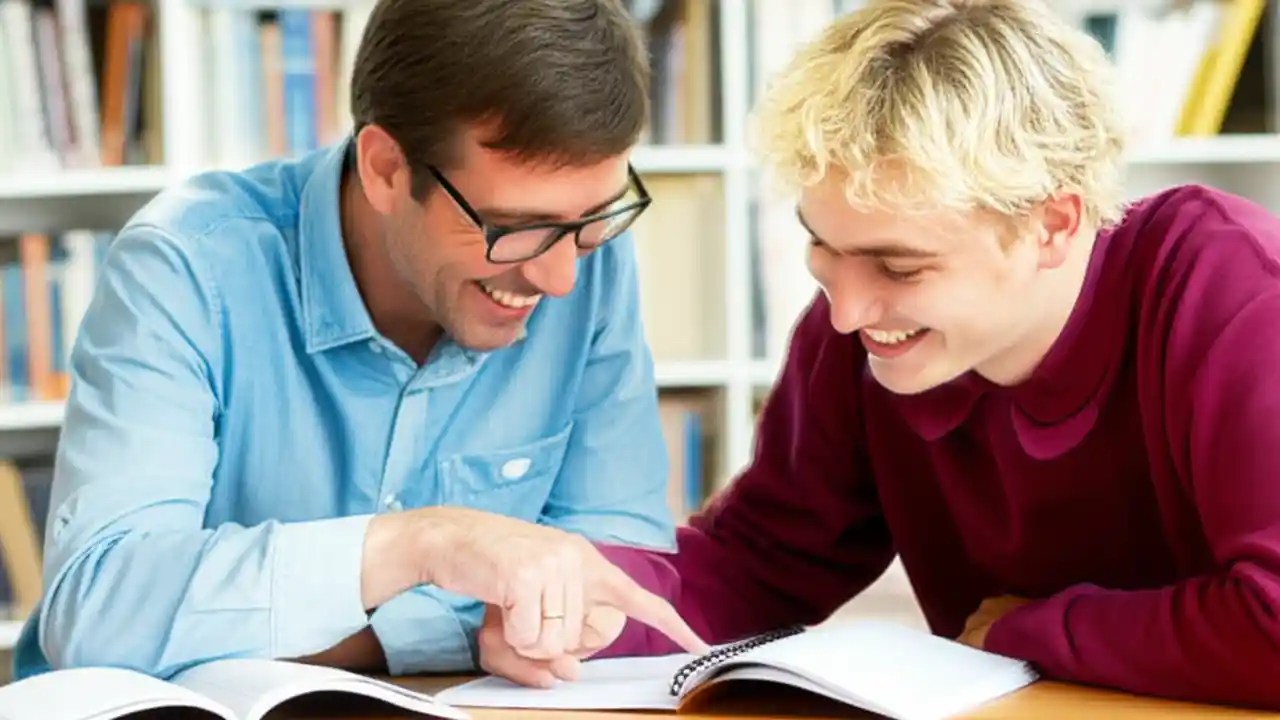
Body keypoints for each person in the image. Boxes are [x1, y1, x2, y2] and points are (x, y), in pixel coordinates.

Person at [475, 0, 1280, 710]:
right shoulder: (855, 334)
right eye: (823, 248)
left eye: (899, 266)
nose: (849, 311)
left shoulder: (1233, 295)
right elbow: (762, 562)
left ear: (1054, 224)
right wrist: (596, 609)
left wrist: (1039, 630)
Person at [12, 0, 709, 682]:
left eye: (597, 215)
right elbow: (100, 612)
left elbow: (629, 574)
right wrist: (426, 548)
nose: (559, 278)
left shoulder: (586, 259)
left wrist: (538, 625)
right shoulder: (186, 266)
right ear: (383, 169)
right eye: (512, 226)